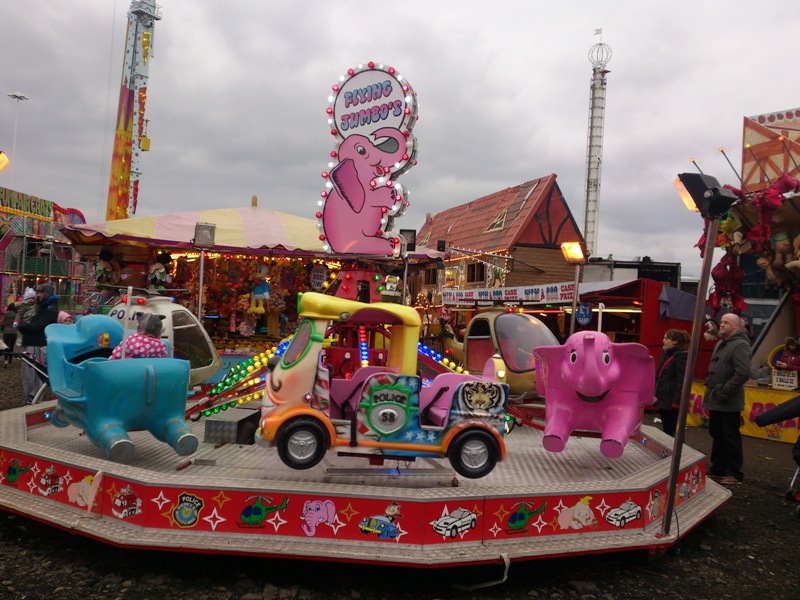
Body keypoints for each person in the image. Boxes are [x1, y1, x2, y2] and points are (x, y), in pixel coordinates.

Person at [702, 313, 752, 485]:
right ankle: (718, 467)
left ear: (736, 326)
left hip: (728, 400)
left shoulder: (740, 345)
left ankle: (735, 472)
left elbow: (743, 372)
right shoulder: (721, 343)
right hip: (716, 397)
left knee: (730, 436)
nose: (721, 325)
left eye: (726, 323)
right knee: (717, 433)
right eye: (721, 322)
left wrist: (725, 391)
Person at [17, 283, 60, 404]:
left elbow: (37, 326)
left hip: (37, 344)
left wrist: (23, 325)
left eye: (40, 292)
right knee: (28, 373)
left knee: (33, 373)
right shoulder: (45, 306)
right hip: (35, 343)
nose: (38, 295)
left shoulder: (50, 309)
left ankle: (33, 399)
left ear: (46, 293)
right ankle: (31, 398)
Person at [653, 329, 690, 437]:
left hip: (671, 399)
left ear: (674, 341)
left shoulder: (680, 357)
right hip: (664, 397)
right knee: (667, 428)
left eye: (666, 338)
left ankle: (677, 452)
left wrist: (677, 401)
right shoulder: (666, 354)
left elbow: (681, 380)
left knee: (673, 429)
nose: (663, 340)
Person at [2, 303, 17, 367]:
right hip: (14, 332)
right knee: (11, 347)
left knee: (6, 347)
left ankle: (5, 361)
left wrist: (3, 328)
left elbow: (2, 322)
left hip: (6, 332)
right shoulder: (16, 314)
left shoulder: (6, 313)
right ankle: (10, 362)